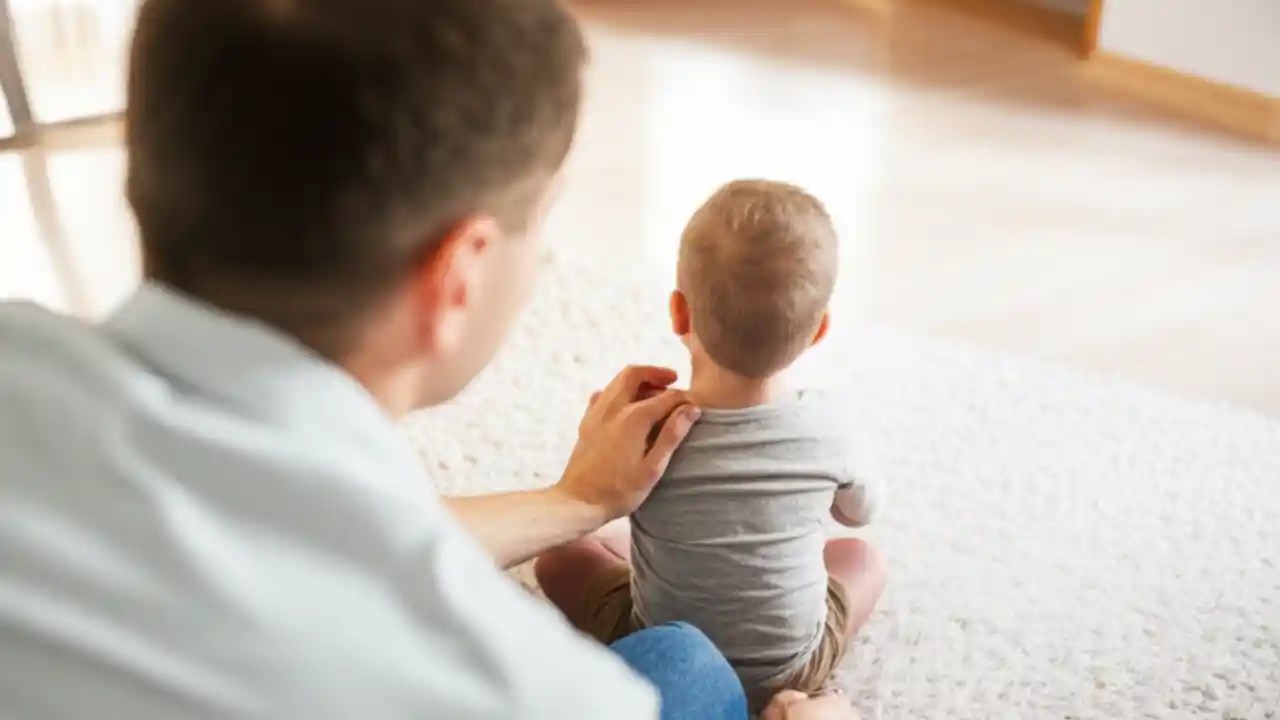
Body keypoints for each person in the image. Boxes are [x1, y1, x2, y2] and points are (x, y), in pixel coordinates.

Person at [0, 0, 859, 717]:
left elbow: (310, 526)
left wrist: (579, 501)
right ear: (459, 276)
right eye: (539, 224)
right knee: (691, 671)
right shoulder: (523, 686)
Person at [536, 181, 889, 711]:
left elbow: (591, 503)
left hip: (661, 643)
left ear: (679, 313)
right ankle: (799, 694)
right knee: (861, 558)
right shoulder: (829, 427)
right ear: (819, 330)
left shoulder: (650, 428)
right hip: (788, 666)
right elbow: (860, 513)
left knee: (559, 555)